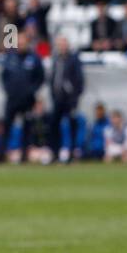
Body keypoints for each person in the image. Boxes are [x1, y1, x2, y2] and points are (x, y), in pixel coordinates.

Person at [0, 31, 45, 163]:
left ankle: (25, 156)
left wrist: (31, 91)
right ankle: (1, 154)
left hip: (27, 100)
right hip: (12, 99)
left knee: (27, 128)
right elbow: (4, 76)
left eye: (23, 42)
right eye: (19, 42)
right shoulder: (10, 57)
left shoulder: (34, 58)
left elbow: (40, 78)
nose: (21, 45)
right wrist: (9, 90)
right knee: (7, 127)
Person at [49, 35, 84, 163]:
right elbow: (53, 78)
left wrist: (75, 96)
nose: (62, 46)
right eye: (59, 44)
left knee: (72, 125)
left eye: (63, 44)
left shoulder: (73, 60)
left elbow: (79, 80)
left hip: (70, 99)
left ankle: (72, 154)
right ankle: (55, 153)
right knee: (54, 126)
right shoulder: (56, 59)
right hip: (57, 98)